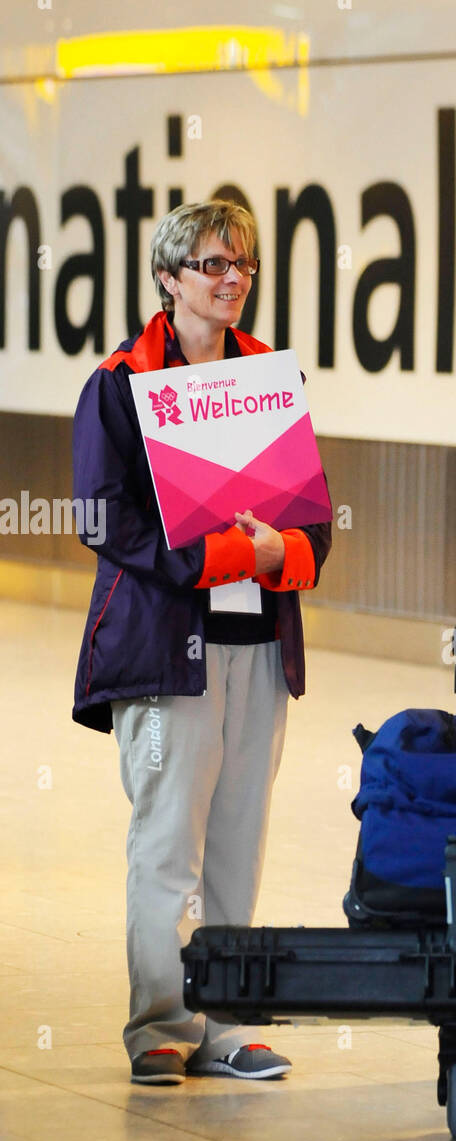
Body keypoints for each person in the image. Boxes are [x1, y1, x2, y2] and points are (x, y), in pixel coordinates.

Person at [72, 200, 332, 1085]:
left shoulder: (265, 378)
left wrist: (282, 553)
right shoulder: (121, 382)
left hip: (257, 642)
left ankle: (227, 1020)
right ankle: (161, 1027)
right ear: (169, 277)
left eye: (244, 267)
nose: (232, 281)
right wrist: (212, 554)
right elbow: (103, 517)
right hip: (163, 651)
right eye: (215, 265)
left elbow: (312, 520)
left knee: (237, 833)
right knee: (167, 840)